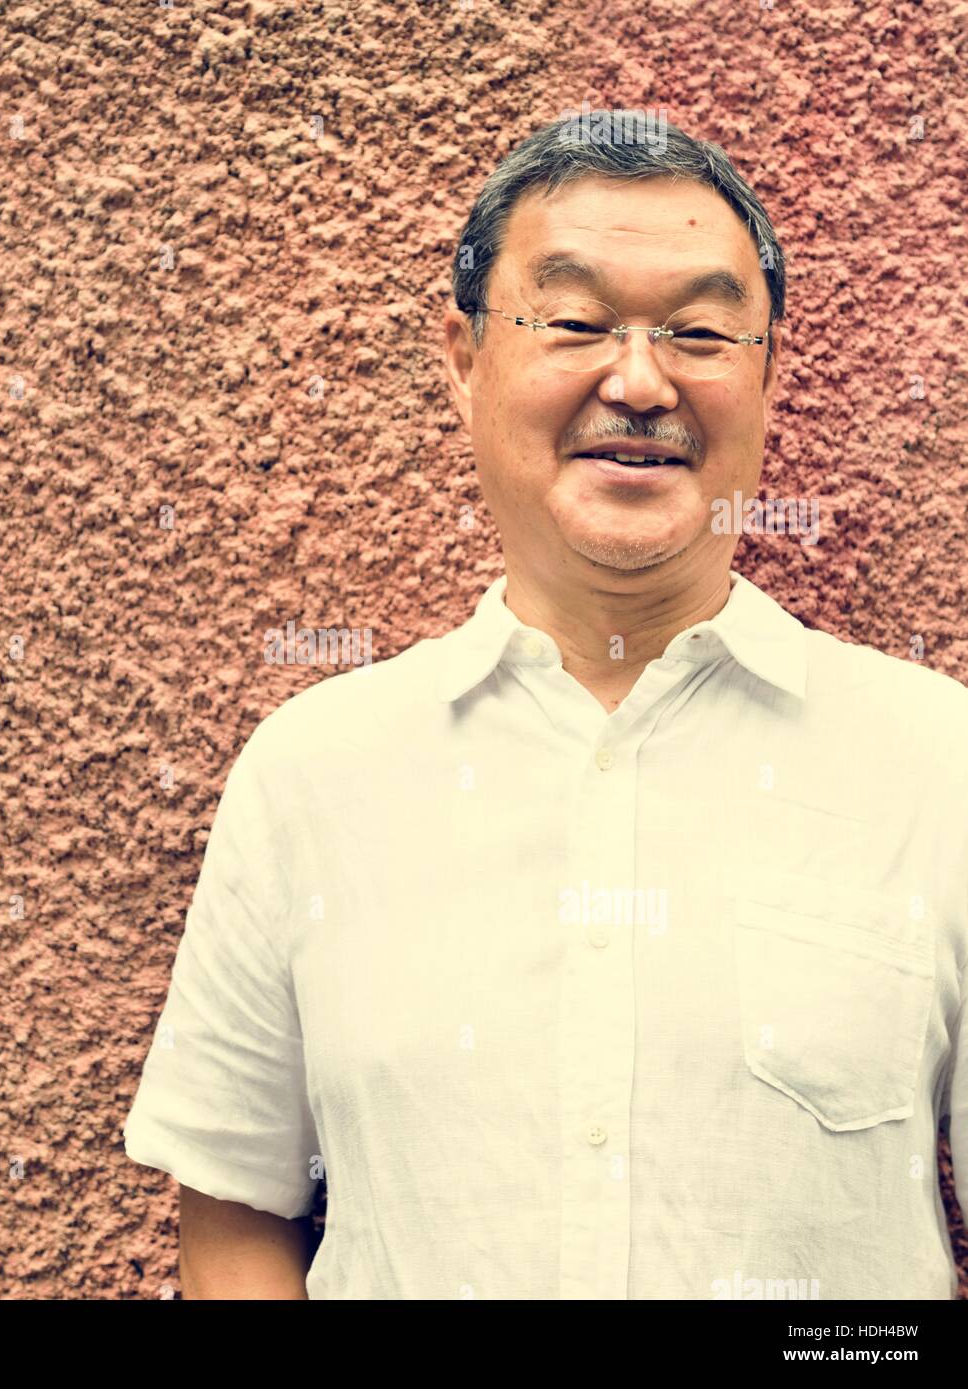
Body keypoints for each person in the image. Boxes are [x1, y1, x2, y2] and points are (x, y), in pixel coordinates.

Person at [123, 110, 968, 1299]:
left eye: (700, 331)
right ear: (464, 361)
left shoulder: (935, 768)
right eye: (573, 323)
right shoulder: (315, 776)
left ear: (768, 375)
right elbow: (234, 1217)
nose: (638, 380)